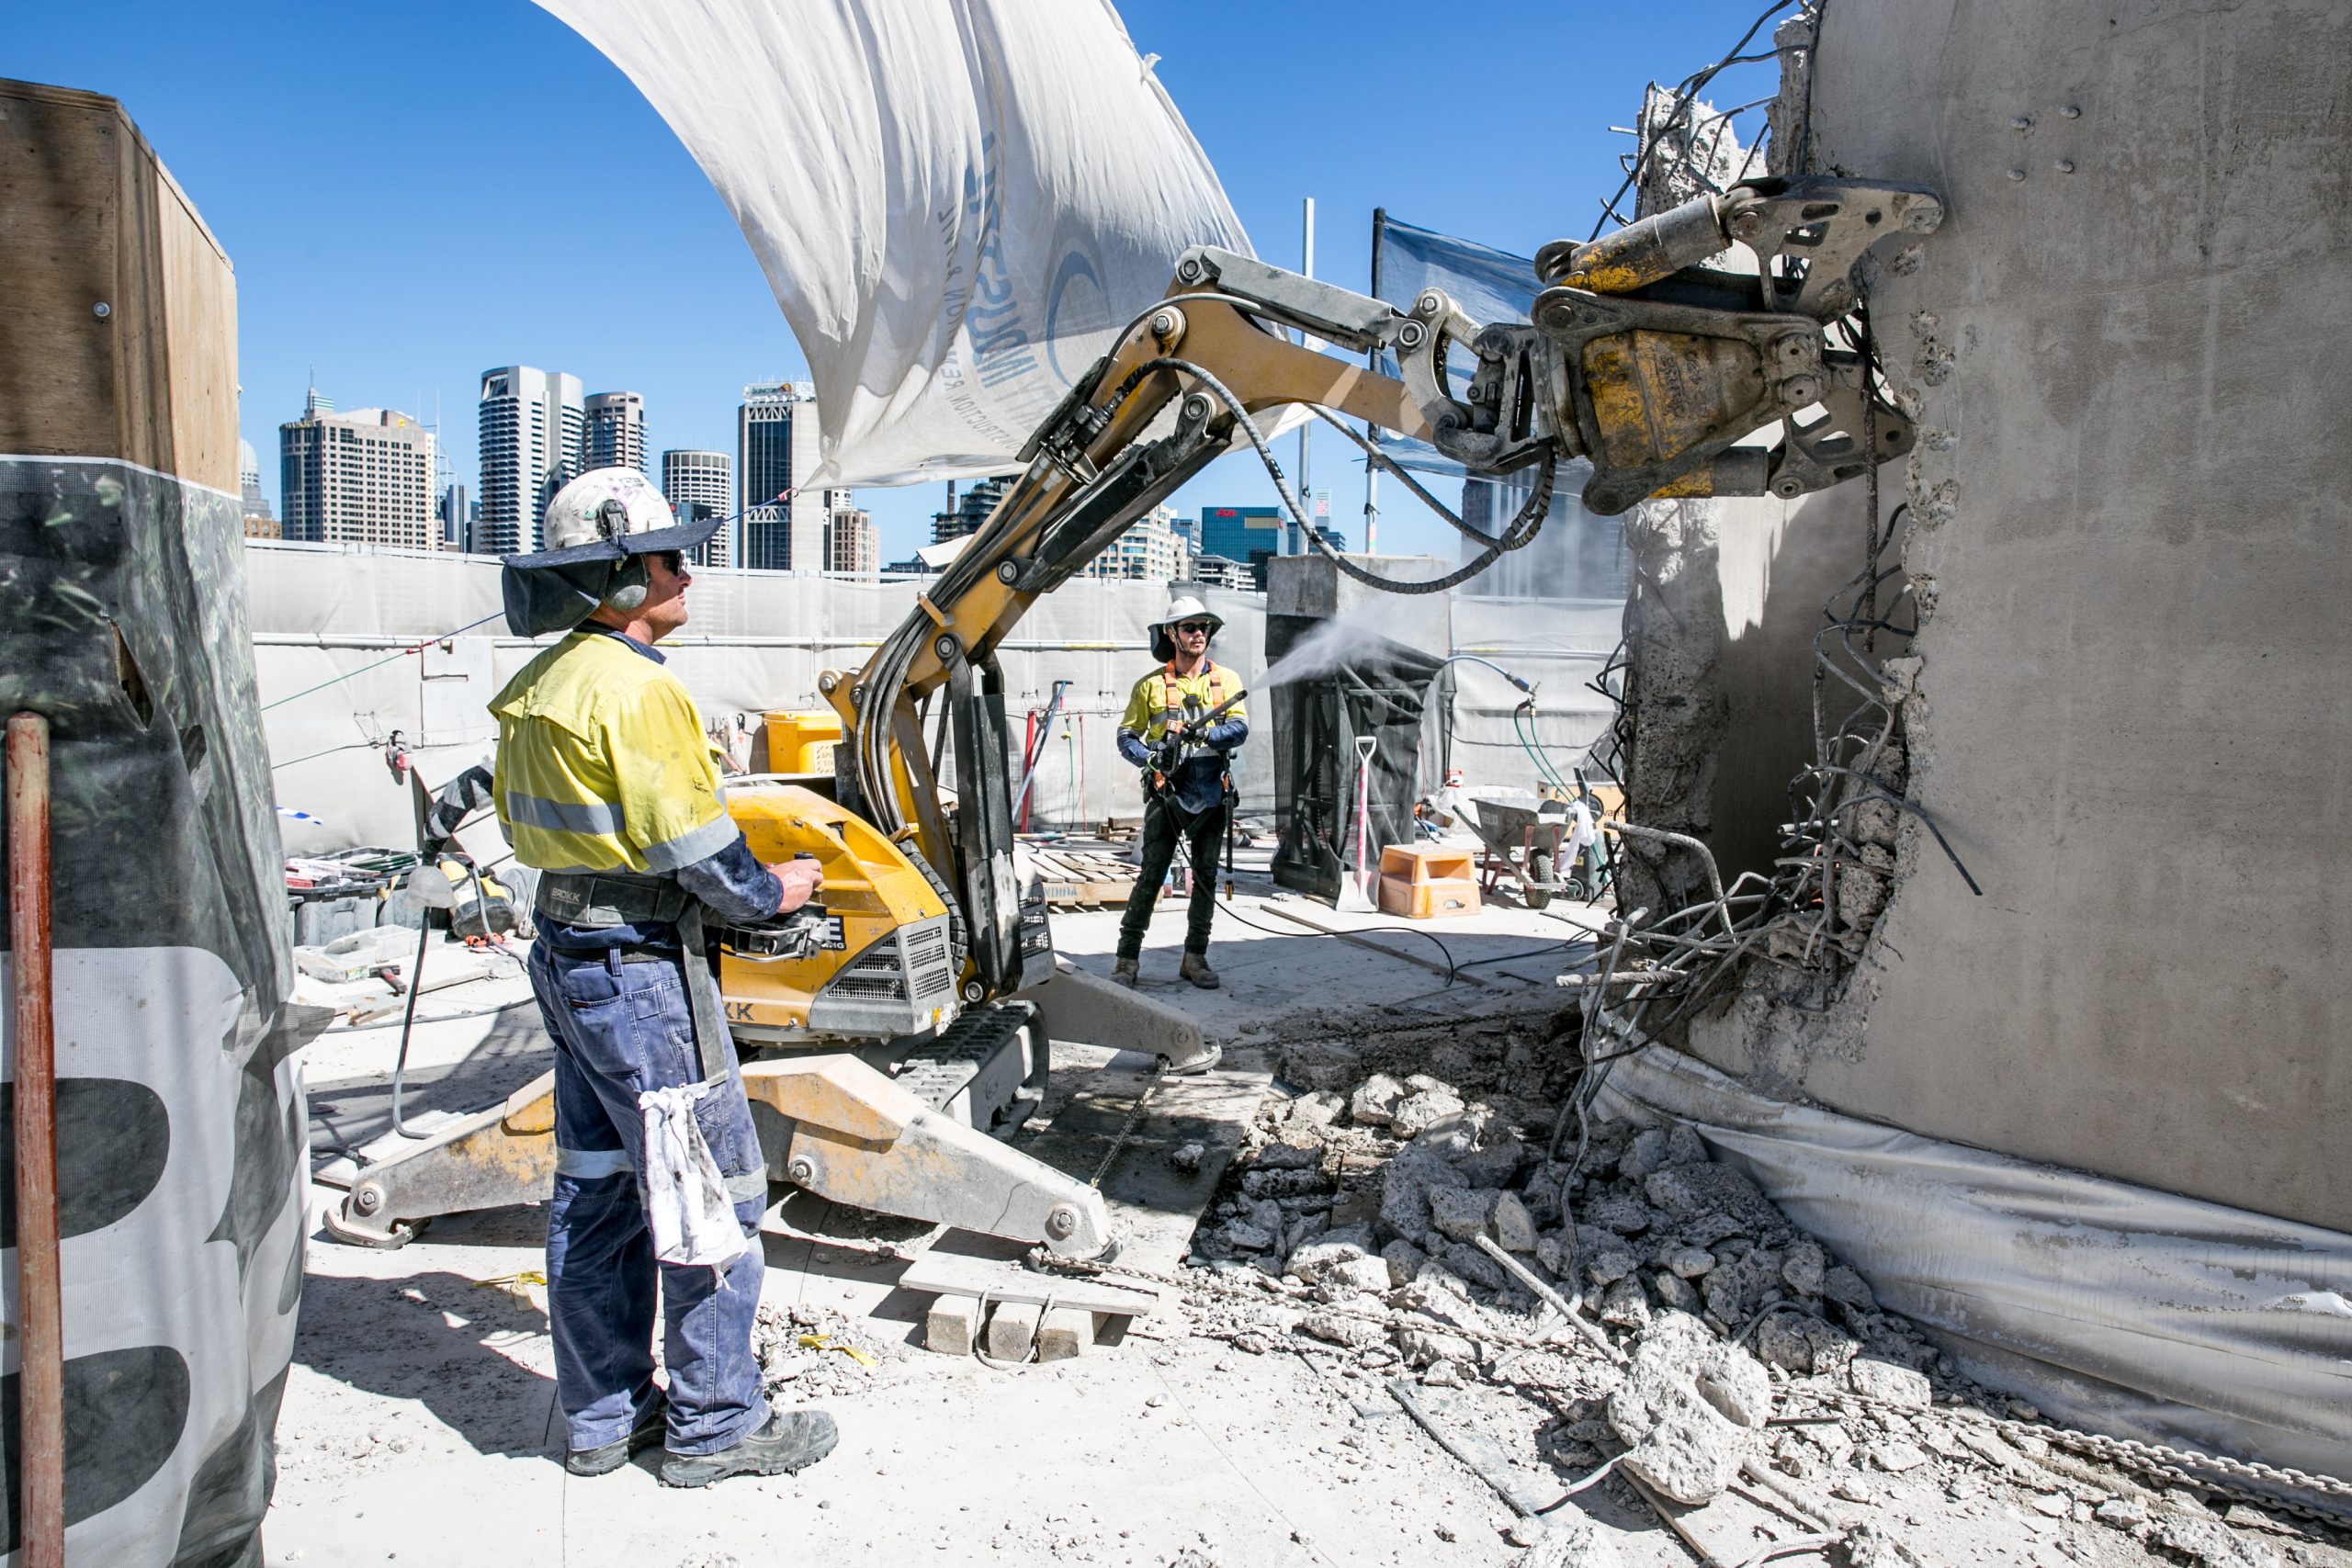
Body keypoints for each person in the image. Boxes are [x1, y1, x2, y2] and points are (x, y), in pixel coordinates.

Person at [491, 468, 838, 1487]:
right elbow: (695, 852)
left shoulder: (546, 683)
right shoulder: (639, 691)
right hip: (641, 972)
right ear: (620, 576)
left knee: (595, 1191)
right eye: (668, 556)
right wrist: (775, 890)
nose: (686, 569)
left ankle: (604, 1417)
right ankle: (717, 1423)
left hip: (569, 954)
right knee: (703, 1191)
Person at [1113, 595, 1249, 988]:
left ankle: (1195, 957)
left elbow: (1238, 729)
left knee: (1205, 877)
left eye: (1203, 628)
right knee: (1152, 875)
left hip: (1211, 790)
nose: (1198, 634)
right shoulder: (1150, 687)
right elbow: (1126, 737)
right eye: (1189, 628)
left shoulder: (1228, 681)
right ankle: (1126, 960)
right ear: (1171, 634)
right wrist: (1150, 759)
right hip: (1167, 792)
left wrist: (1206, 732)